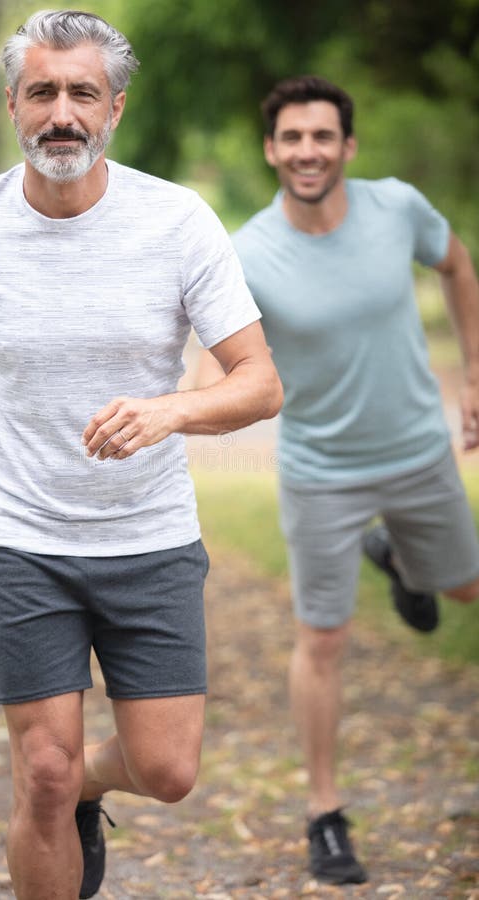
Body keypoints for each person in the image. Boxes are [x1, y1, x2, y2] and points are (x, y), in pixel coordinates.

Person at [0, 11, 283, 900]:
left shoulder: (177, 222)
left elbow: (260, 384)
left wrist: (171, 411)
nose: (62, 114)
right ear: (13, 104)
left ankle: (90, 788)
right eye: (43, 93)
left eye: (83, 93)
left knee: (169, 771)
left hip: (150, 536)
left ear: (115, 108)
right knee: (43, 771)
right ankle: (65, 792)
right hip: (21, 538)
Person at [203, 75, 479, 885]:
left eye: (322, 136)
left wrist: (474, 372)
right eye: (292, 137)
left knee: (465, 590)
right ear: (271, 150)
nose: (308, 151)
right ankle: (325, 815)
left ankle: (399, 558)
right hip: (320, 471)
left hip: (419, 451)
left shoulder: (397, 208)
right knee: (322, 638)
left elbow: (456, 263)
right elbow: (223, 363)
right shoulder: (247, 253)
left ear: (347, 146)